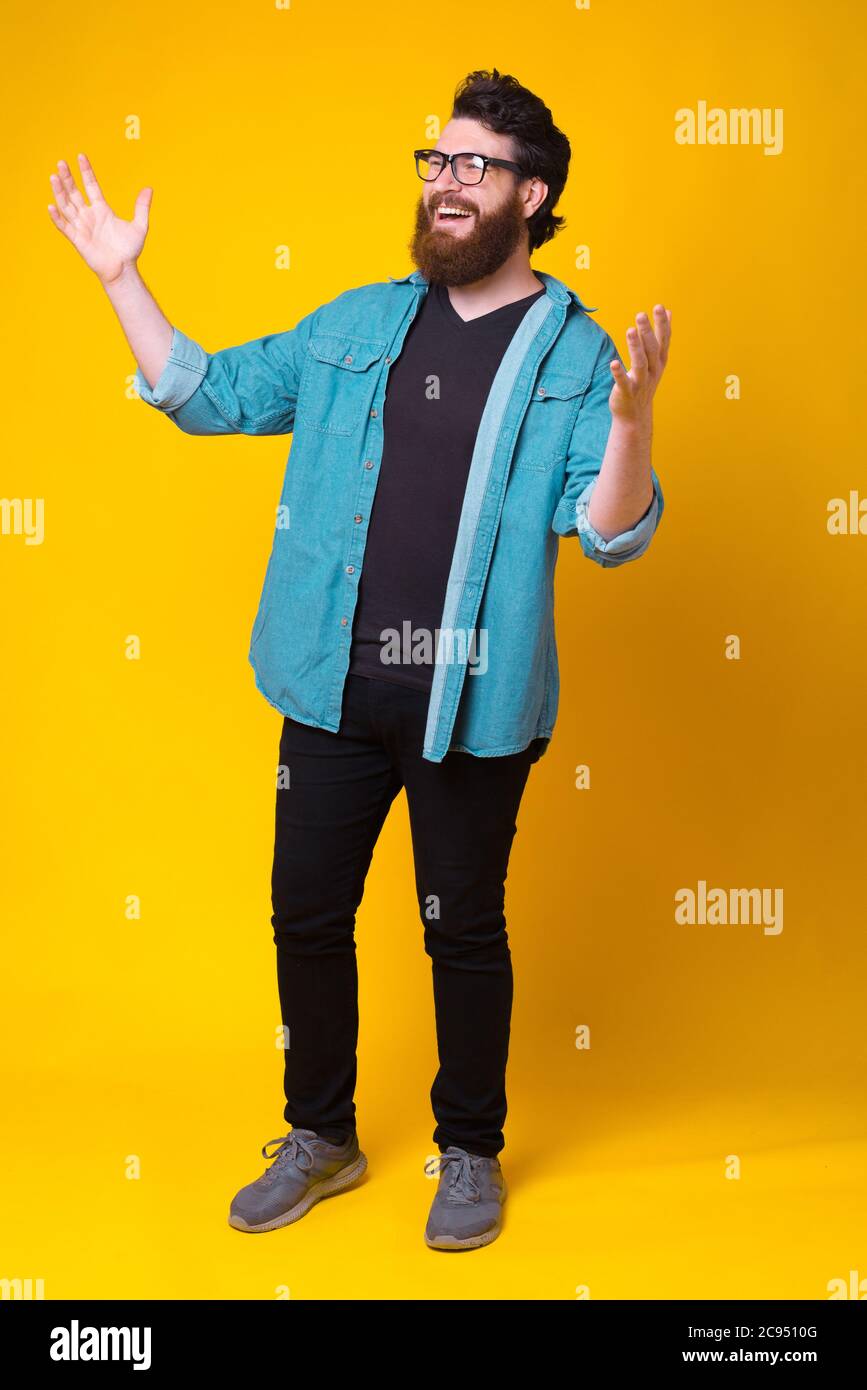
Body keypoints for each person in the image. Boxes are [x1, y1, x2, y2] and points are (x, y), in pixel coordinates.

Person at [48, 68, 670, 1252]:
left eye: (472, 166)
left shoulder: (579, 358)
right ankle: (321, 1134)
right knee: (305, 911)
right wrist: (122, 278)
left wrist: (633, 423)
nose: (445, 183)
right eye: (434, 162)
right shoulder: (356, 325)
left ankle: (471, 1151)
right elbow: (209, 392)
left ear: (531, 195)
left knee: (463, 929)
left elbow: (610, 531)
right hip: (331, 687)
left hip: (470, 703)